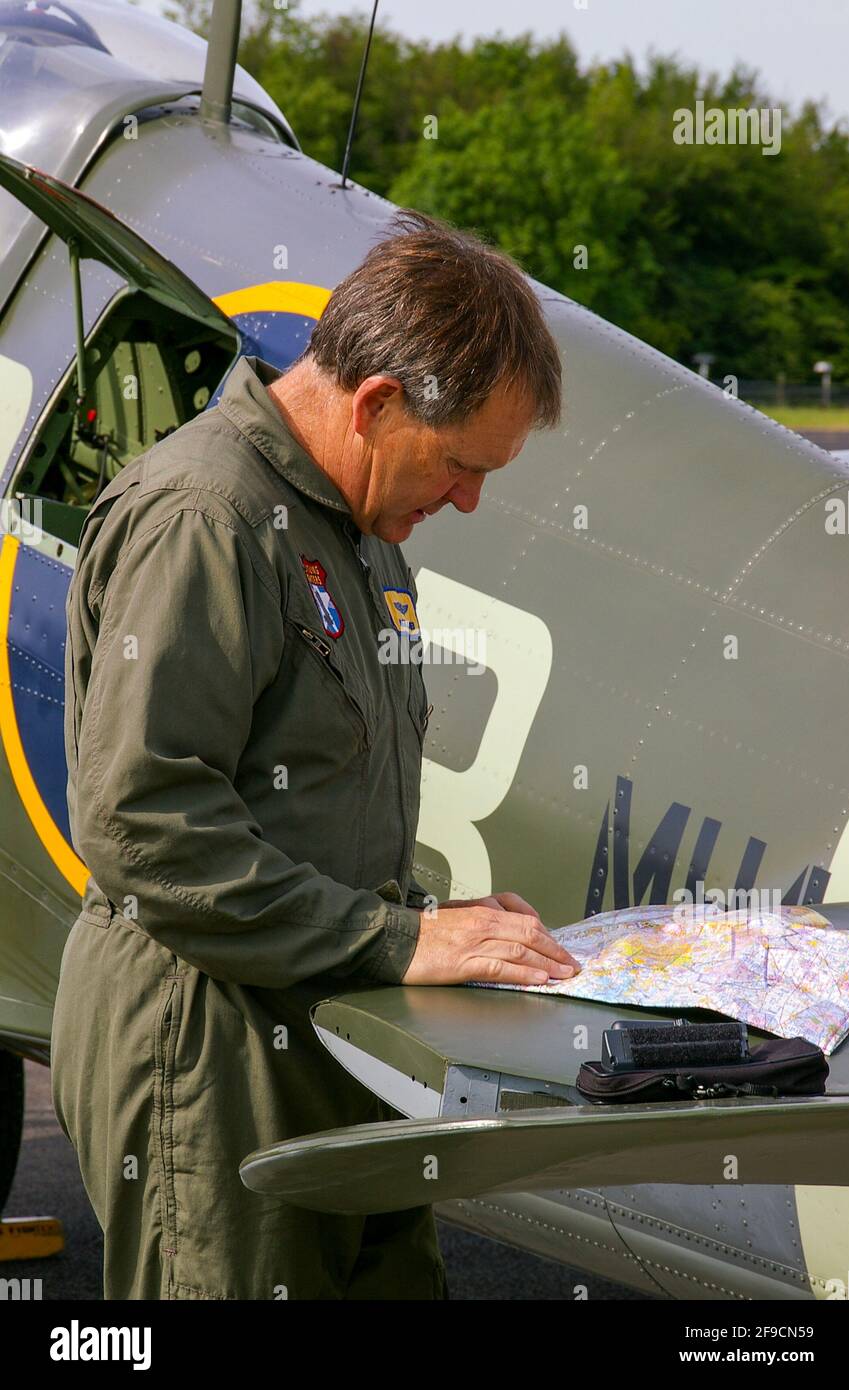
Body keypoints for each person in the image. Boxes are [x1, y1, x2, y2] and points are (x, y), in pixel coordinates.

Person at [51, 207, 580, 1300]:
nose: (471, 499)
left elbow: (321, 791)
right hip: (206, 1049)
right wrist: (395, 939)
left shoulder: (368, 529)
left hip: (332, 1025)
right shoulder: (206, 516)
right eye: (461, 462)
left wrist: (444, 922)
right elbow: (143, 827)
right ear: (378, 403)